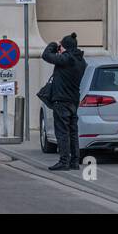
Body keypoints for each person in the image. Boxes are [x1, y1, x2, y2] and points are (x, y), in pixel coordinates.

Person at [41, 32, 87, 171]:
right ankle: (74, 162)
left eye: (61, 46)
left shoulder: (67, 58)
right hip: (73, 100)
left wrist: (54, 45)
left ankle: (64, 161)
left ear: (65, 47)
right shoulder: (81, 61)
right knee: (73, 132)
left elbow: (46, 56)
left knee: (62, 132)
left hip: (62, 101)